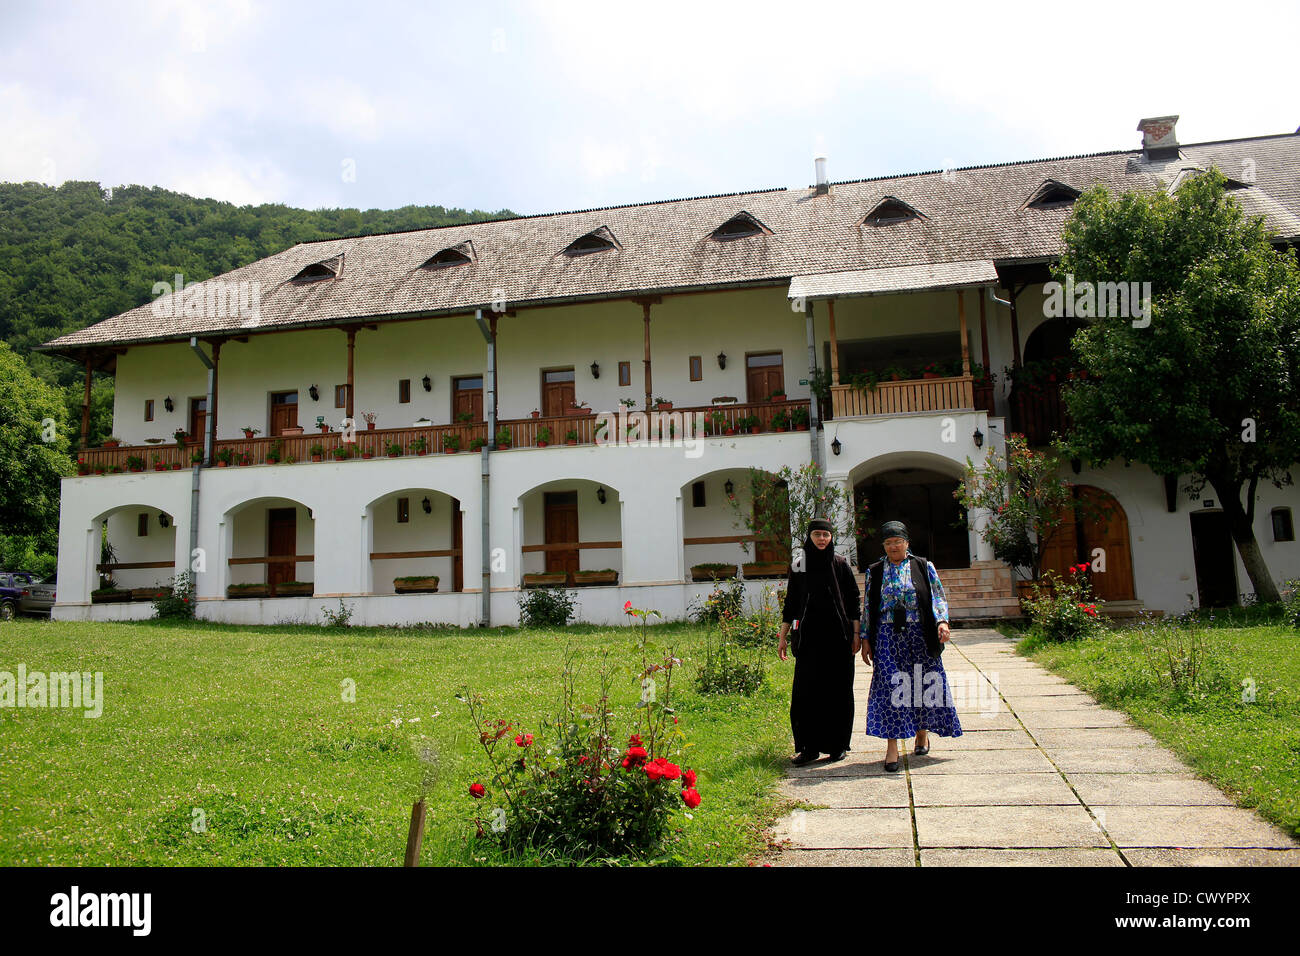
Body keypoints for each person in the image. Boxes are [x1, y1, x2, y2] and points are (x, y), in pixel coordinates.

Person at [860, 520, 963, 772]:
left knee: (923, 682)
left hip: (920, 633)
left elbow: (938, 596)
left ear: (907, 542)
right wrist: (865, 638)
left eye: (898, 541)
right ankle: (892, 747)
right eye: (888, 543)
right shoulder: (875, 571)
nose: (893, 546)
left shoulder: (923, 566)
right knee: (889, 687)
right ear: (883, 546)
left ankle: (921, 733)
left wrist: (942, 622)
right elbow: (868, 607)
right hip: (887, 634)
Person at [777, 518, 861, 765]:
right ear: (809, 537)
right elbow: (791, 603)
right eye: (817, 535)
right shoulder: (800, 565)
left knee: (838, 691)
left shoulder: (840, 564)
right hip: (809, 640)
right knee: (807, 693)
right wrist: (782, 637)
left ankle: (837, 746)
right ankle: (809, 747)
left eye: (826, 535)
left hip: (839, 639)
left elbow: (854, 601)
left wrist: (856, 634)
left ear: (831, 537)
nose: (822, 539)